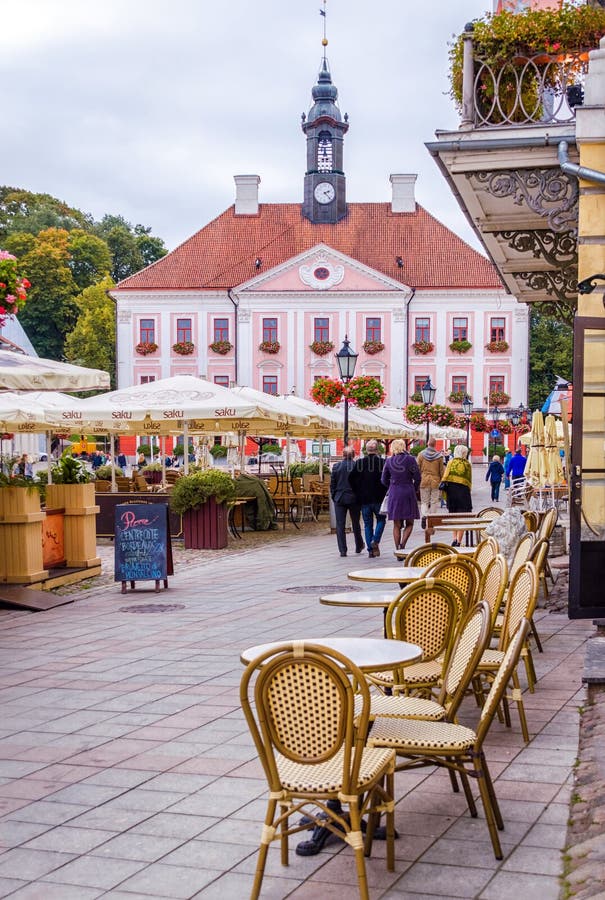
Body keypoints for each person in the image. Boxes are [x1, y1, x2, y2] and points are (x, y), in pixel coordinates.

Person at [349, 439, 387, 558]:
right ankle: (375, 540)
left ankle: (370, 549)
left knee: (367, 524)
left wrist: (357, 491)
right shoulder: (382, 462)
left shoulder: (359, 463)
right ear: (377, 450)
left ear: (366, 450)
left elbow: (351, 479)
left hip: (364, 498)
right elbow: (387, 479)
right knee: (381, 520)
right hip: (379, 498)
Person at [381, 438, 421, 551]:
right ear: (403, 447)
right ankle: (403, 545)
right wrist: (414, 488)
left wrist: (392, 485)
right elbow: (417, 477)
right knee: (410, 522)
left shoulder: (389, 461)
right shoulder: (410, 459)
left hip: (395, 492)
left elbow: (383, 480)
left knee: (396, 524)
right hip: (408, 491)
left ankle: (397, 548)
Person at [330, 447, 364, 558]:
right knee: (355, 523)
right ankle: (358, 545)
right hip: (354, 498)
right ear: (353, 455)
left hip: (339, 498)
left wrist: (334, 496)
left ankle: (342, 550)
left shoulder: (336, 467)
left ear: (343, 455)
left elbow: (332, 484)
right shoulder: (358, 467)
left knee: (340, 524)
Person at [441, 444, 472, 547]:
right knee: (463, 517)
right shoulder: (467, 464)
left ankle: (454, 538)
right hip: (463, 492)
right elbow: (469, 480)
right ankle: (459, 541)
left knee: (453, 515)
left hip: (452, 492)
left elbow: (445, 476)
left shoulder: (451, 462)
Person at [417, 436, 444, 529]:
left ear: (428, 443)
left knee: (424, 501)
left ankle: (425, 515)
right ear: (435, 445)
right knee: (434, 501)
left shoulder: (421, 455)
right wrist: (442, 480)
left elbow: (417, 468)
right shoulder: (439, 456)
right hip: (435, 481)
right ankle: (432, 519)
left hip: (424, 480)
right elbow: (442, 471)